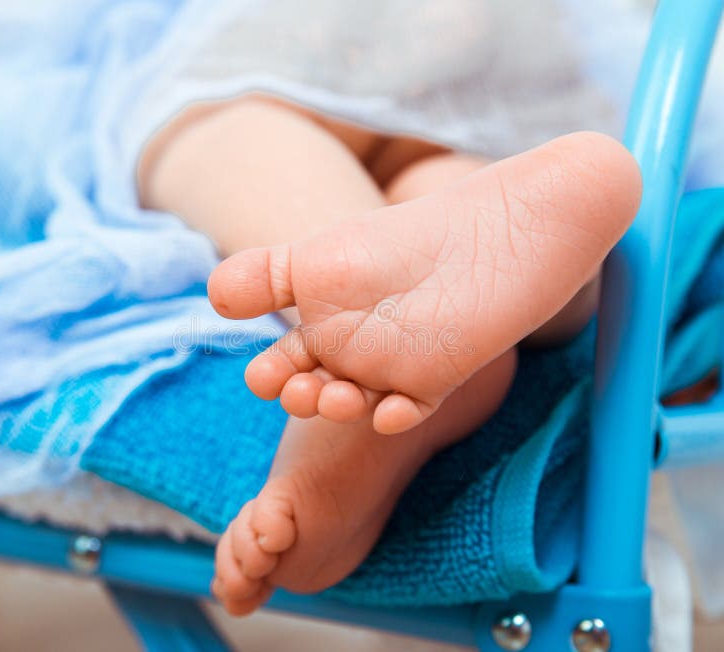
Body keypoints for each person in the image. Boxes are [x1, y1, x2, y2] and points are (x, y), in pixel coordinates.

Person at [138, 95, 641, 615]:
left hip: (259, 52)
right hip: (483, 75)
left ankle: (380, 333)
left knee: (228, 135)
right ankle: (493, 303)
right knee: (472, 183)